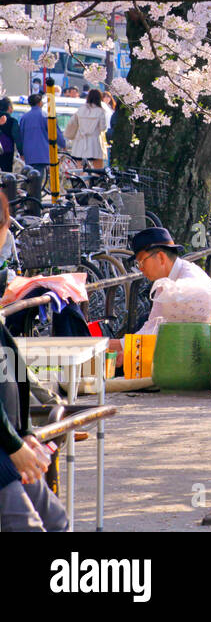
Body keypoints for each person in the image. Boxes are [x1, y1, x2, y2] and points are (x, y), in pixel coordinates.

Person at [0, 190, 70, 532]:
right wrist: (15, 447)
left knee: (55, 519)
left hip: (11, 440)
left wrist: (24, 433)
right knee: (27, 526)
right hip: (5, 452)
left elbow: (9, 369)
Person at [18, 92, 65, 186]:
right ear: (40, 103)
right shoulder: (46, 116)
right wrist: (63, 144)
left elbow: (21, 136)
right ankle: (35, 197)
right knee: (38, 177)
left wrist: (21, 152)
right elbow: (55, 132)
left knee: (29, 175)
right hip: (41, 151)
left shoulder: (24, 117)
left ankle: (27, 194)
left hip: (28, 151)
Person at [66, 88, 109, 169]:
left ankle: (83, 181)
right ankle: (95, 181)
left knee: (80, 168)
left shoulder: (81, 109)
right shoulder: (100, 111)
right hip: (94, 144)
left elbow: (71, 123)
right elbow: (103, 128)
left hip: (80, 142)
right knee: (98, 169)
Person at [0, 98, 20, 171]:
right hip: (7, 150)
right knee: (6, 173)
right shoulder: (12, 121)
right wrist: (21, 153)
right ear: (9, 108)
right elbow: (17, 138)